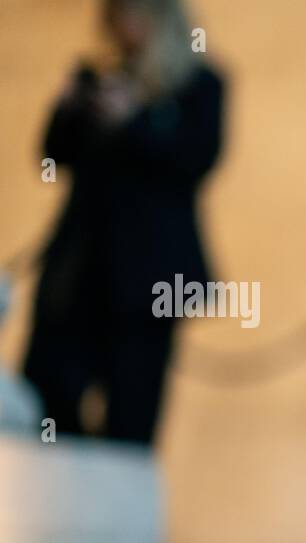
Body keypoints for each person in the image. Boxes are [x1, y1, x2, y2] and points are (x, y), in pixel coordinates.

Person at [21, 0, 223, 447]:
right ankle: (64, 502)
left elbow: (196, 160)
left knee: (132, 417)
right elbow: (54, 156)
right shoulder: (104, 77)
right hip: (79, 272)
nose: (123, 30)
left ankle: (115, 508)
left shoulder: (199, 87)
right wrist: (68, 107)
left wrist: (134, 122)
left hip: (149, 283)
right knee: (47, 396)